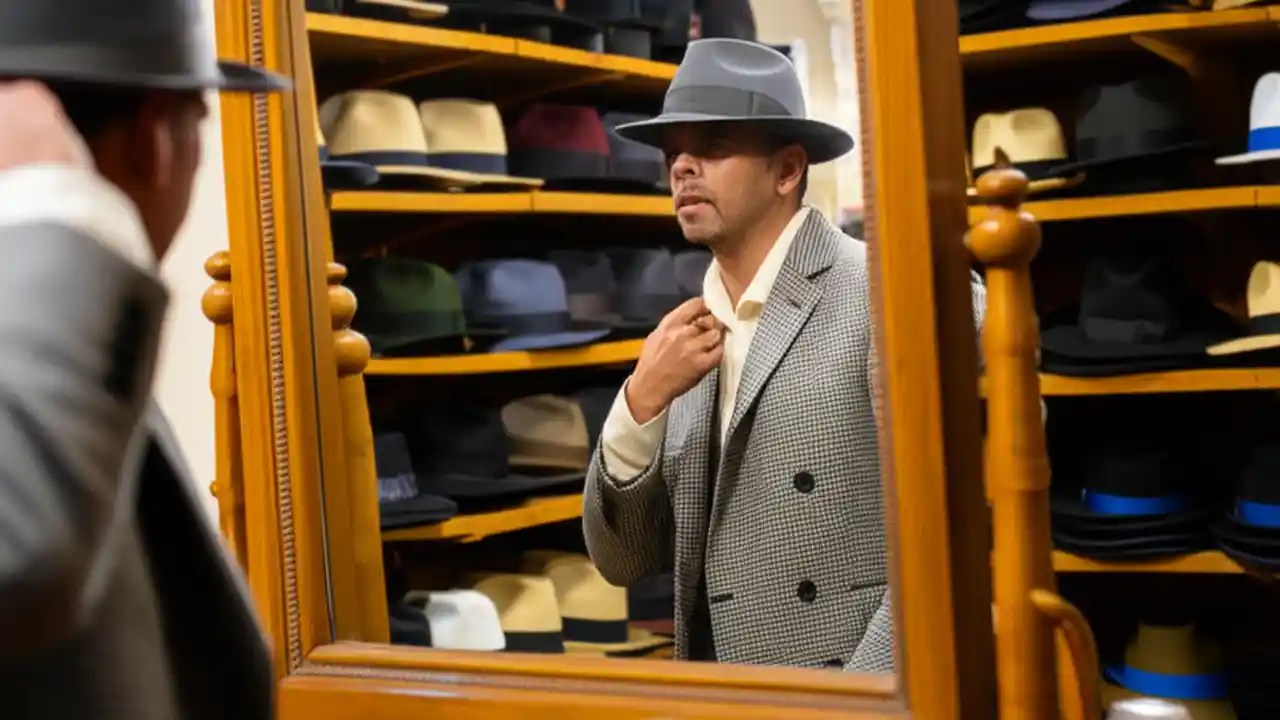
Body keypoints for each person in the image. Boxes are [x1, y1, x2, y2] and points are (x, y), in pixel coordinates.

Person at [582, 38, 986, 672]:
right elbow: (625, 561)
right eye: (674, 154)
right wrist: (640, 404)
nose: (684, 168)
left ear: (789, 170)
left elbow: (964, 534)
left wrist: (861, 701)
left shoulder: (893, 292)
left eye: (713, 147)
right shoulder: (683, 342)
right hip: (724, 695)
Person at [0, 0, 288, 717]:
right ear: (157, 138)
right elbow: (19, 555)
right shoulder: (55, 357)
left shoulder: (71, 355)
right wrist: (59, 206)